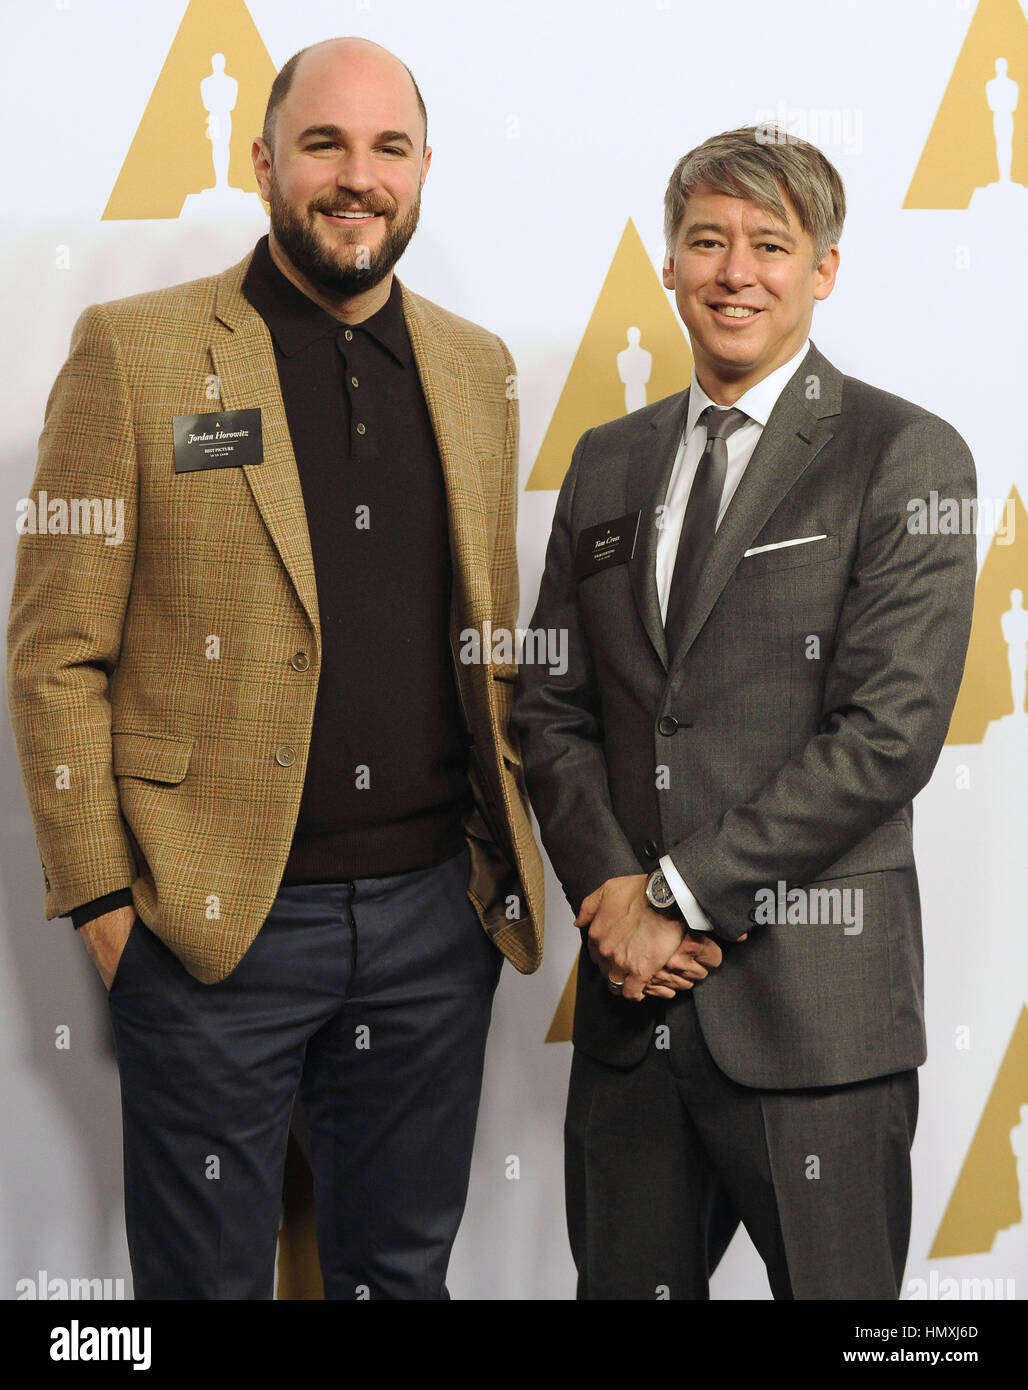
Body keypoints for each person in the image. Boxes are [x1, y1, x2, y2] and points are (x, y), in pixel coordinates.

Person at [7, 36, 543, 1301]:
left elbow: (488, 636)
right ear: (261, 162)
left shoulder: (477, 370)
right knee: (201, 1289)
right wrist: (102, 907)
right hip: (212, 929)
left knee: (399, 1278)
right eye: (324, 145)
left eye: (387, 149)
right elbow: (50, 653)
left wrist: (478, 879)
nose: (357, 178)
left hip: (431, 922)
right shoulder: (133, 354)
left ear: (420, 173)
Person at [513, 125, 976, 1300]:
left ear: (822, 268)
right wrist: (612, 895)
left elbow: (887, 735)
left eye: (769, 244)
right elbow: (550, 703)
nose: (734, 272)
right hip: (632, 1022)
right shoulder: (607, 461)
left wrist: (673, 894)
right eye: (705, 240)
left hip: (814, 1020)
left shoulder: (903, 455)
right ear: (666, 262)